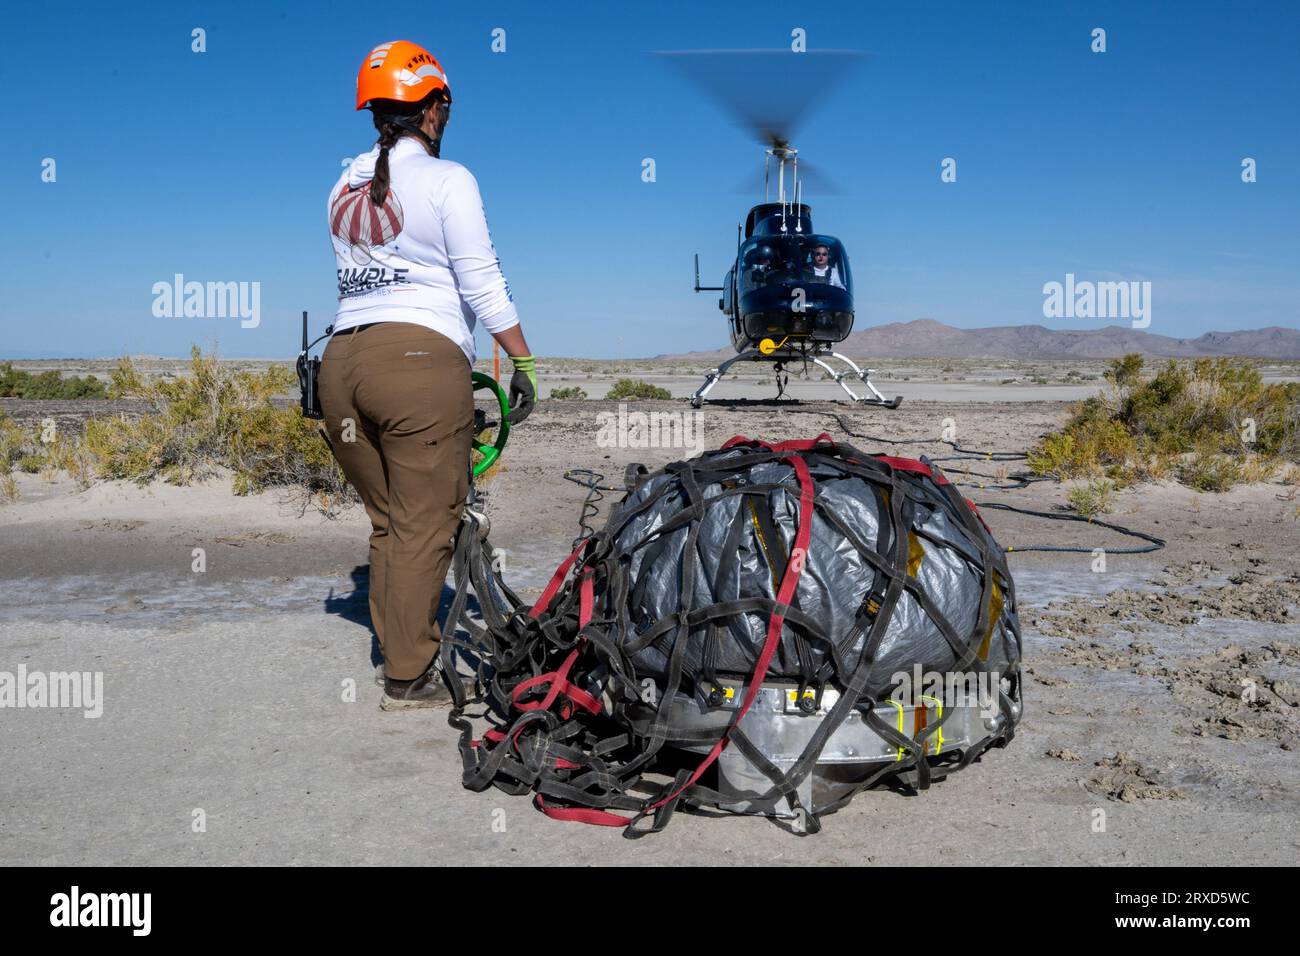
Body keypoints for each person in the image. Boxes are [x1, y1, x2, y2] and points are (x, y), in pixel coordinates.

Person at [320, 40, 536, 710]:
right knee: (425, 522)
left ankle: (403, 646)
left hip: (339, 366)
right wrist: (522, 359)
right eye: (447, 105)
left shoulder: (342, 183)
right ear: (433, 108)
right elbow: (482, 282)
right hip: (416, 364)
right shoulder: (449, 180)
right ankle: (409, 676)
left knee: (390, 521)